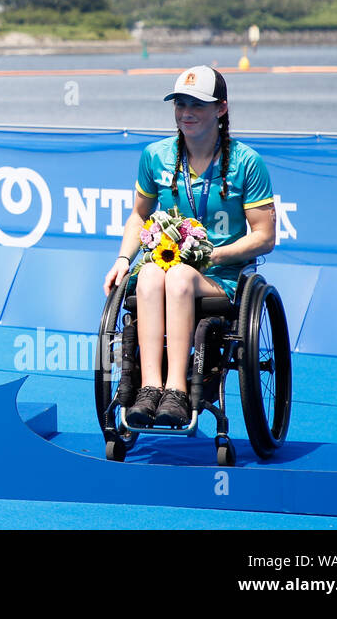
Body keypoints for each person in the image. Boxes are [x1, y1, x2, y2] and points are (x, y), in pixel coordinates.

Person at [102, 65, 276, 427]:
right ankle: (150, 389)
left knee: (179, 278)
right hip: (164, 268)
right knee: (149, 276)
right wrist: (122, 259)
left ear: (221, 109)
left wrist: (212, 255)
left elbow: (264, 236)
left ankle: (177, 391)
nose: (186, 112)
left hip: (220, 274)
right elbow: (139, 216)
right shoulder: (155, 156)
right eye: (180, 103)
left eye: (197, 104)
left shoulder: (246, 162)